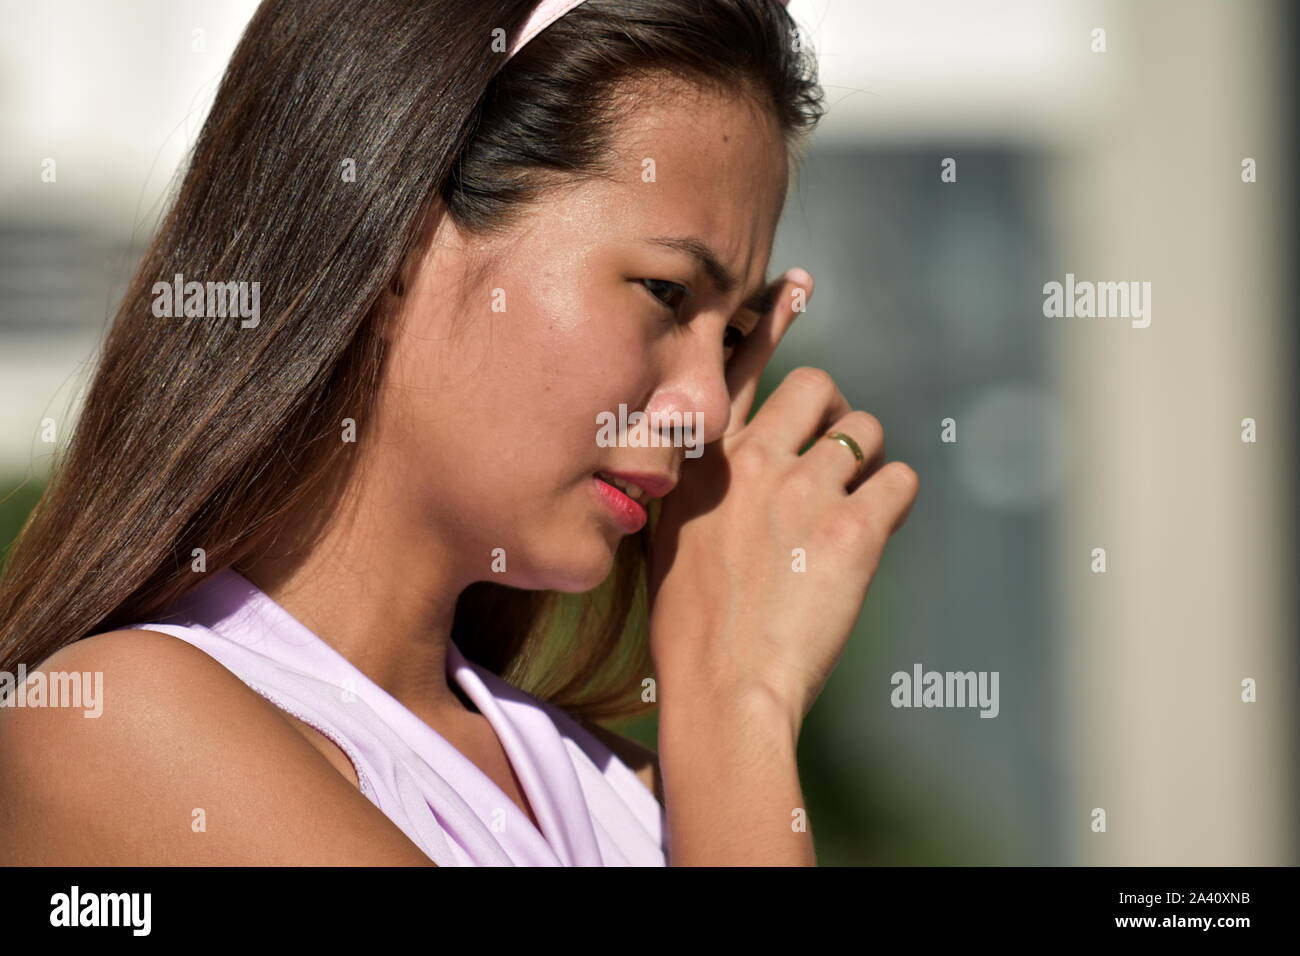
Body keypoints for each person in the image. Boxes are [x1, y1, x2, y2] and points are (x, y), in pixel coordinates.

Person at [0, 0, 917, 865]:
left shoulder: (640, 795)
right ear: (399, 233)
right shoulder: (110, 729)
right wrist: (735, 702)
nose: (709, 410)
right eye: (667, 294)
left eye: (734, 338)